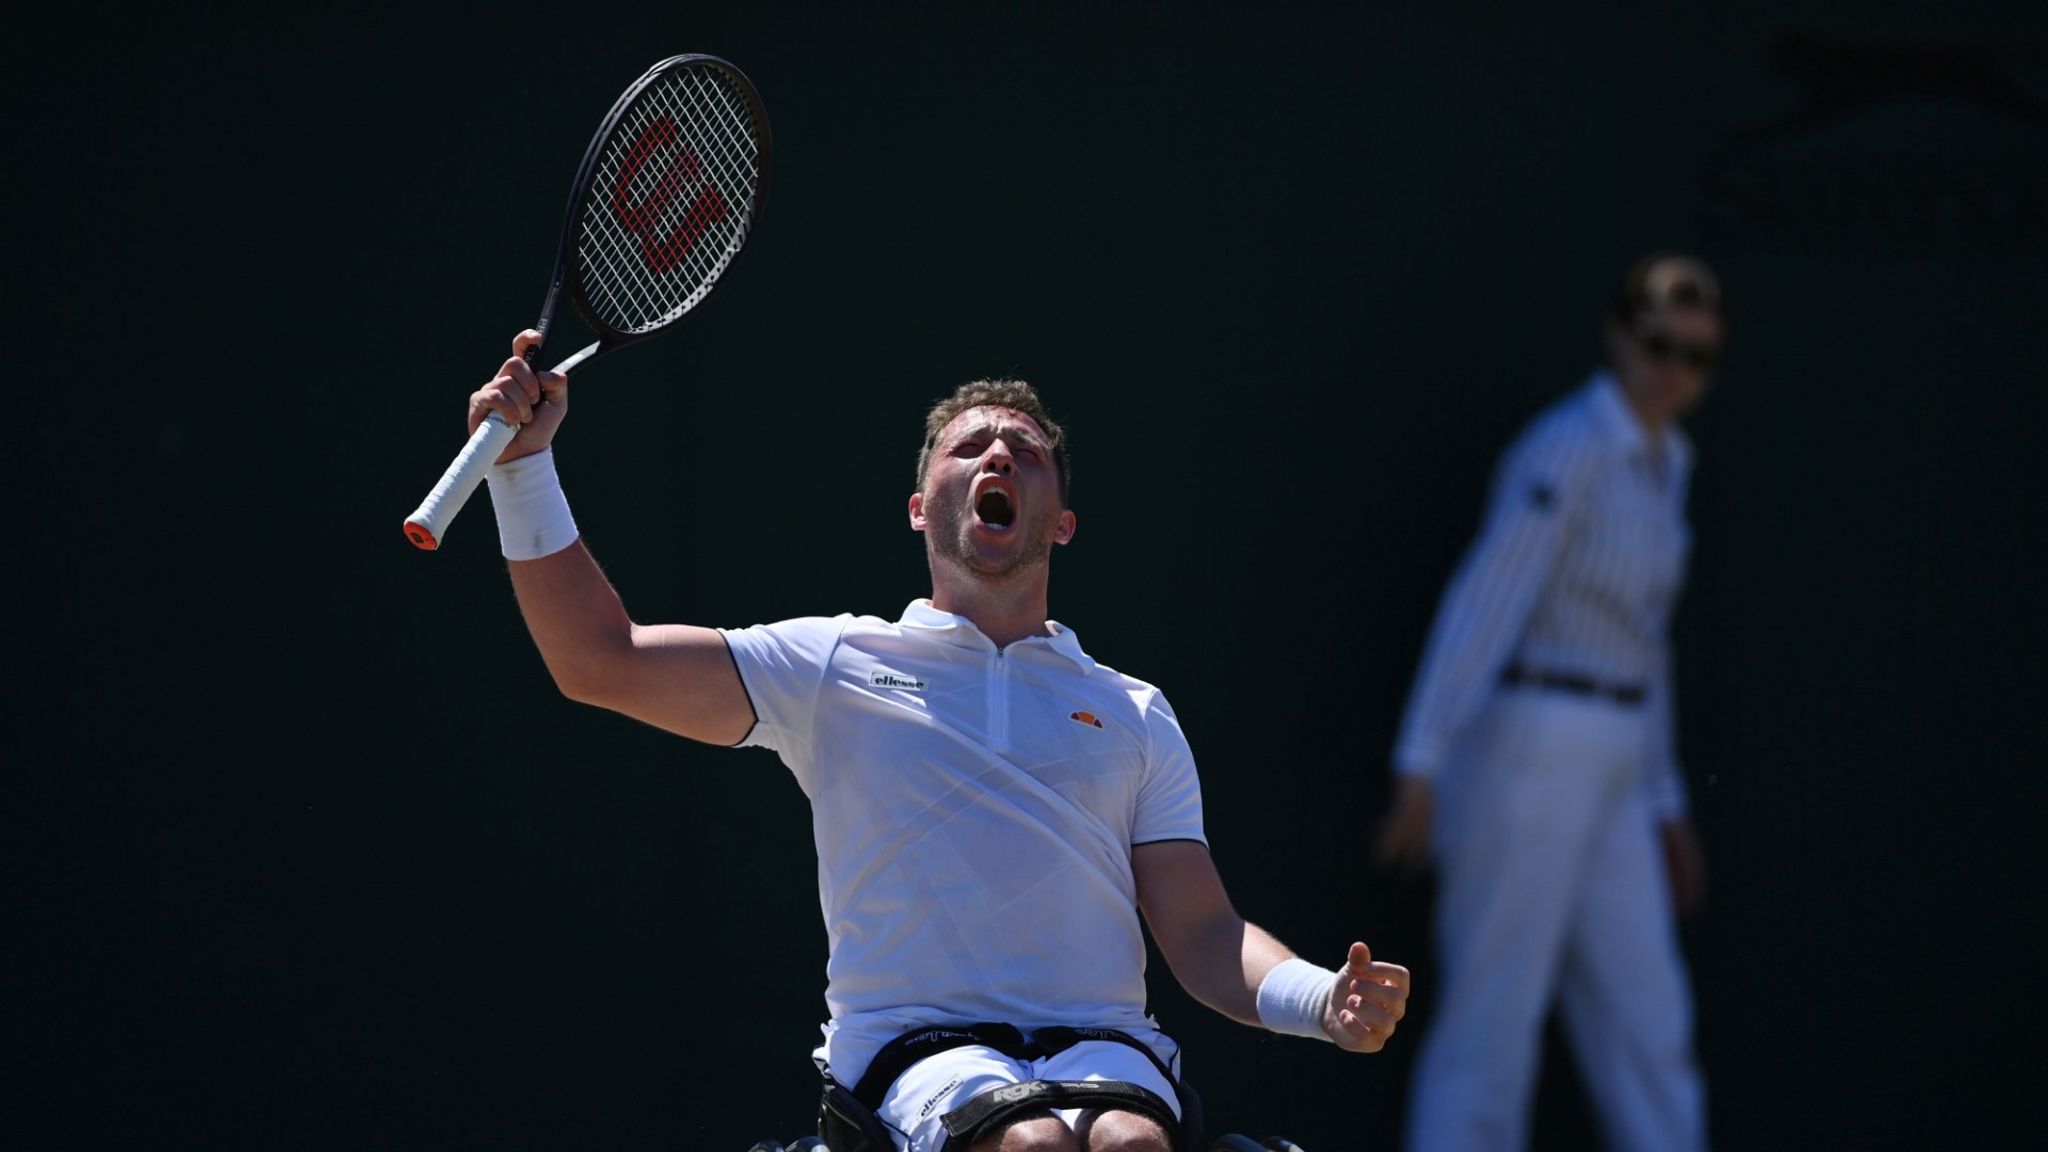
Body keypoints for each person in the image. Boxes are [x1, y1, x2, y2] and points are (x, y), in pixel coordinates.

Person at [466, 341, 1412, 1152]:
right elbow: (599, 660)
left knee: (1128, 1142)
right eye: (970, 445)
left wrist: (1321, 999)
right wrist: (522, 469)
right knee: (1031, 1143)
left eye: (1026, 451)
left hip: (1103, 1048)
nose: (999, 449)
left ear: (1063, 524)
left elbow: (1205, 936)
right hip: (916, 1050)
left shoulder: (1132, 711)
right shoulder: (831, 663)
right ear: (921, 506)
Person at [1373, 252, 1723, 1152]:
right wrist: (1424, 757)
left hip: (1618, 761)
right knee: (1493, 1020)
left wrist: (1666, 799)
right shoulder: (1566, 446)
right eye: (1657, 345)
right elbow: (1487, 598)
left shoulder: (1669, 461)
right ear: (1618, 335)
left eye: (1696, 357)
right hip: (1530, 743)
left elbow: (1644, 645)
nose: (1672, 372)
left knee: (1649, 1019)